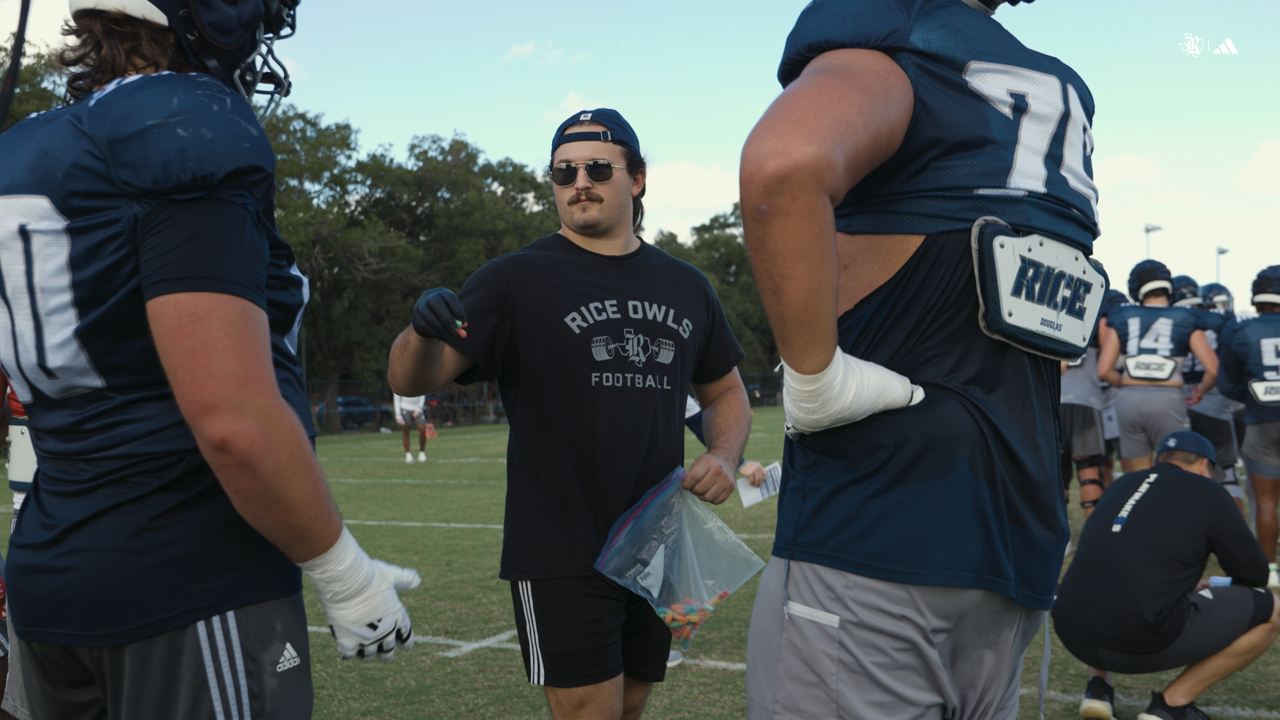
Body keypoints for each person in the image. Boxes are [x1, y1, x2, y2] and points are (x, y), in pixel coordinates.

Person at [0, 3, 419, 718]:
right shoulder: (183, 120)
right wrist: (343, 571)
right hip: (187, 578)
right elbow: (232, 419)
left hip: (51, 566)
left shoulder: (26, 146)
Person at [737, 0, 1105, 717]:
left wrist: (815, 381)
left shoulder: (900, 35)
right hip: (1016, 542)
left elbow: (783, 164)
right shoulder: (1058, 95)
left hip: (879, 528)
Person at [386, 108, 751, 720]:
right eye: (563, 171)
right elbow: (409, 377)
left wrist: (722, 455)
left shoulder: (688, 285)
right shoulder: (512, 279)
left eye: (597, 168)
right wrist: (421, 333)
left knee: (631, 707)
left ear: (636, 178)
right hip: (559, 543)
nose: (579, 181)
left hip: (658, 542)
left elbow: (726, 393)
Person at [1053, 431, 1278, 720]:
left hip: (1072, 631)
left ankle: (1098, 686)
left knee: (1109, 574)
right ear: (1203, 464)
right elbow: (1254, 574)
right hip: (1137, 637)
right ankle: (1171, 706)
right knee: (1271, 609)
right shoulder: (1207, 490)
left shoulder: (1122, 484)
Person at [1098, 261, 1219, 473]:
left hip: (1128, 400)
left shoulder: (1123, 316)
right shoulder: (1186, 317)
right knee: (1177, 479)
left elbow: (1103, 370)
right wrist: (1199, 391)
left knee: (1138, 483)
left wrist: (1127, 384)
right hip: (1168, 398)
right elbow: (1213, 369)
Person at [1217, 266, 1280, 588]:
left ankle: (1269, 570)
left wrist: (1257, 396)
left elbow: (1226, 385)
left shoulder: (1242, 330)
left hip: (1261, 419)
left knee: (1266, 501)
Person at [1172, 276, 1246, 510]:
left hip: (1178, 399)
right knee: (1226, 473)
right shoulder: (1217, 323)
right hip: (1213, 397)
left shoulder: (1172, 321)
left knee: (1180, 474)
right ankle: (1235, 531)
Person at [394, 393, 429, 463]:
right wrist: (398, 414)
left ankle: (422, 454)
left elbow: (422, 394)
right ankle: (408, 455)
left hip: (417, 408)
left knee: (422, 429)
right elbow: (397, 398)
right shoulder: (400, 383)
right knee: (406, 431)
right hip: (405, 408)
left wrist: (419, 407)